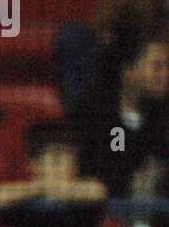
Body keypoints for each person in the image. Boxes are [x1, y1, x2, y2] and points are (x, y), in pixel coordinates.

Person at [71, 31, 169, 198]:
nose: (166, 75)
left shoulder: (163, 120)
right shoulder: (92, 114)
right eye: (157, 67)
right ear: (128, 71)